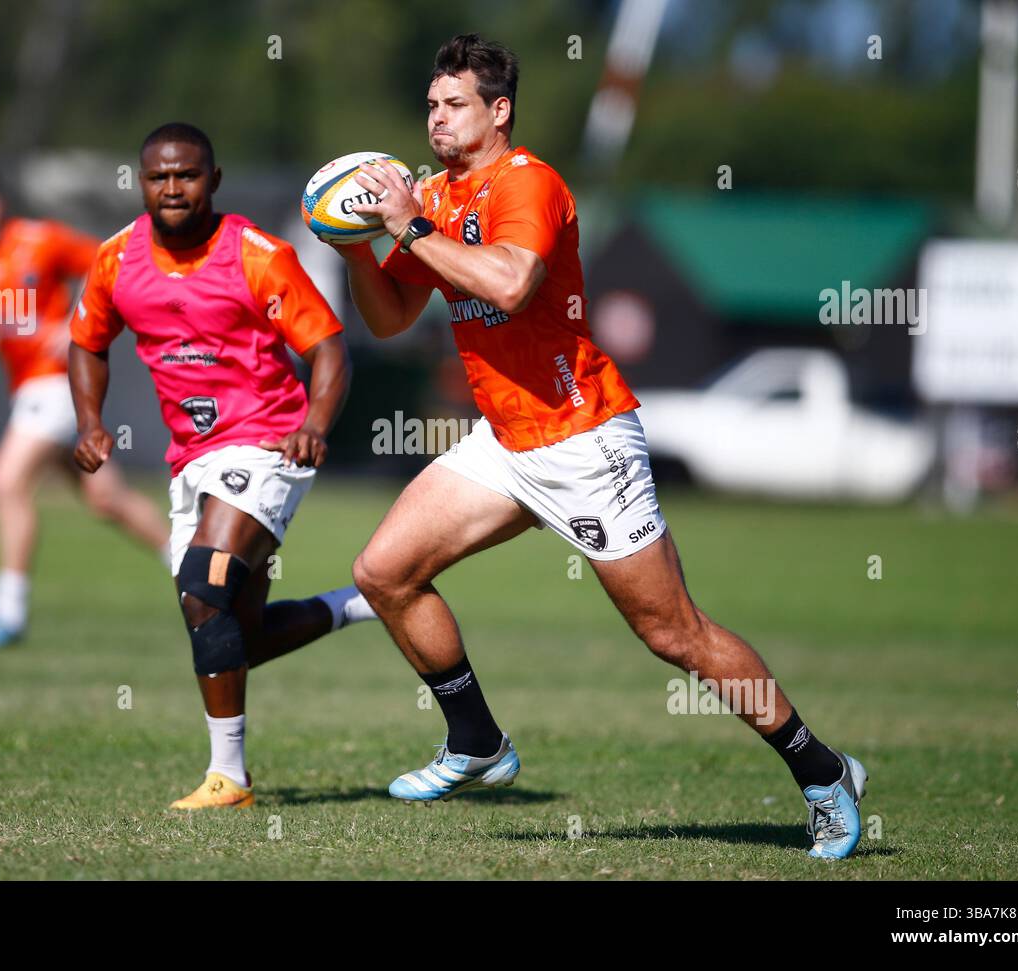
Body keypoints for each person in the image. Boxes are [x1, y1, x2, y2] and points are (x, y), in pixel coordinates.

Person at [335, 34, 868, 859]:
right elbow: (390, 318)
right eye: (431, 105)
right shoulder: (433, 195)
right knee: (384, 572)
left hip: (585, 439)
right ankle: (477, 741)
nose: (435, 119)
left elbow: (511, 284)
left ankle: (824, 771)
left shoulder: (529, 184)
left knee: (675, 634)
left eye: (454, 104)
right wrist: (356, 247)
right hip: (506, 441)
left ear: (498, 110)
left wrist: (407, 227)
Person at [69, 123, 376, 810]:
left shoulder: (257, 255)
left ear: (214, 178)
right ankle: (360, 602)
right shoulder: (117, 259)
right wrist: (90, 421)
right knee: (232, 630)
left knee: (202, 587)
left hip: (266, 443)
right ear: (141, 182)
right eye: (159, 176)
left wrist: (313, 426)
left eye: (188, 174)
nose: (173, 187)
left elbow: (329, 348)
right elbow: (86, 342)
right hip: (191, 461)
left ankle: (228, 778)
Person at [0, 169, 170, 651]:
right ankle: (199, 570)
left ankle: (8, 614)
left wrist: (79, 319)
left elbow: (107, 261)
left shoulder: (39, 240)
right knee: (106, 500)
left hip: (59, 383)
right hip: (28, 392)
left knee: (6, 480)